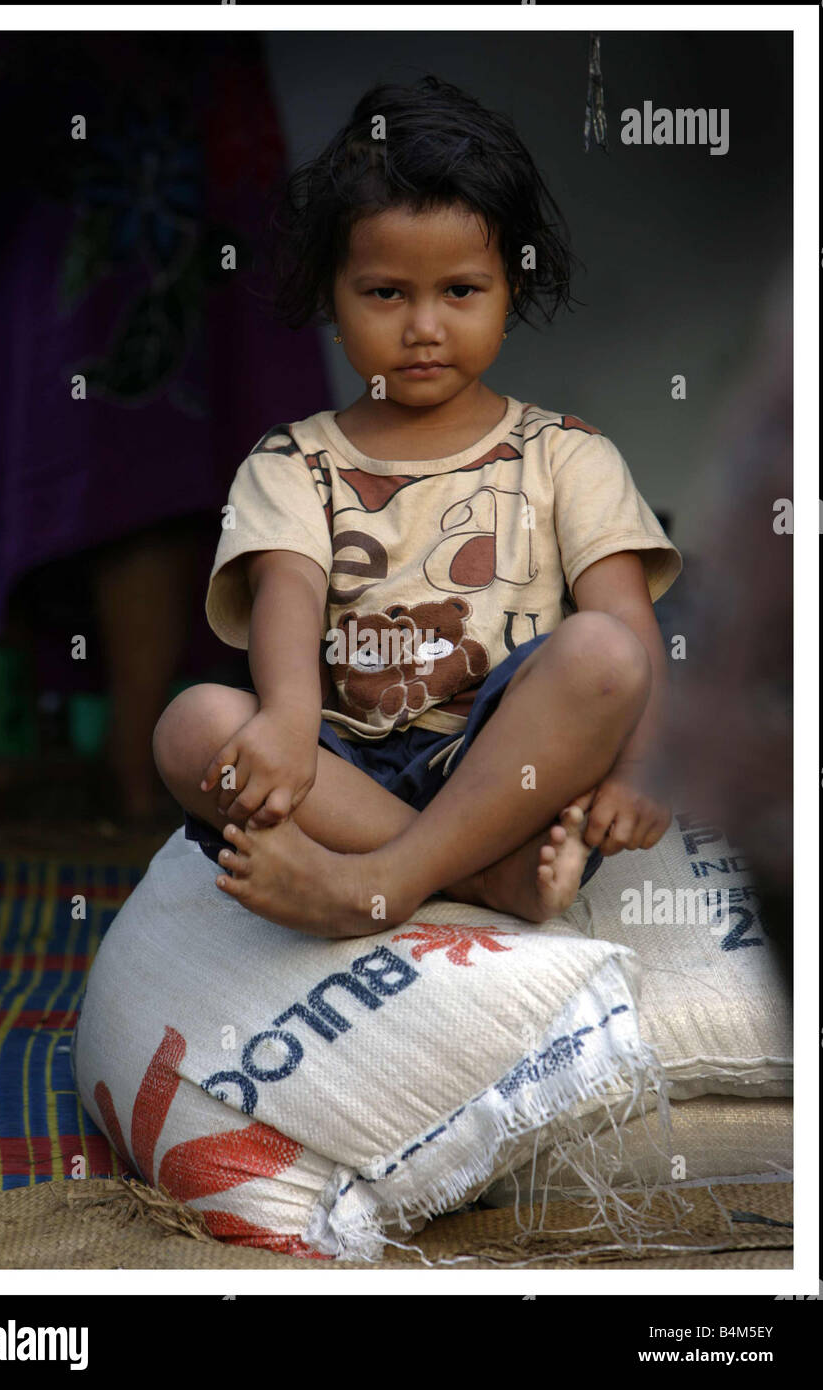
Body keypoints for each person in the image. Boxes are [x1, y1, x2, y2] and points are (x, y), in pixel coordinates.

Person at [152, 75, 683, 939]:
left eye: (461, 292)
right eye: (387, 293)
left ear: (512, 290)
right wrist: (287, 722)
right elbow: (285, 597)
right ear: (333, 296)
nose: (424, 326)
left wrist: (647, 764)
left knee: (603, 653)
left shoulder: (569, 455)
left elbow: (631, 634)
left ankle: (381, 883)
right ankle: (480, 879)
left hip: (511, 767)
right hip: (340, 768)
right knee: (192, 725)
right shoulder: (293, 461)